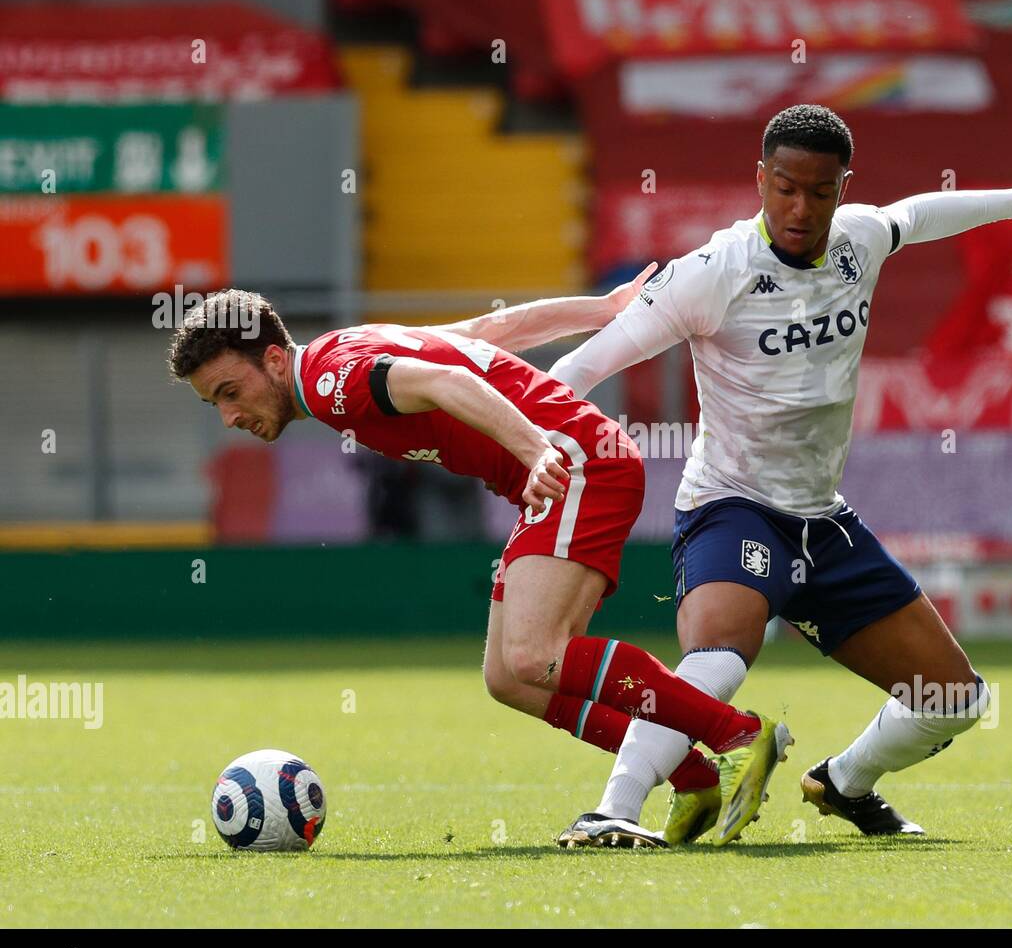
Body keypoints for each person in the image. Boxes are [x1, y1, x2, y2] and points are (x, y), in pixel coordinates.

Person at [548, 103, 1012, 846]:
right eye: (785, 188)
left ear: (842, 187)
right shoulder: (712, 273)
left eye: (820, 193)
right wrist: (540, 441)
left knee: (952, 699)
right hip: (733, 507)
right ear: (760, 179)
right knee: (721, 659)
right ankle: (614, 810)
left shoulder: (859, 239)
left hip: (823, 522)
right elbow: (584, 363)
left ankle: (844, 783)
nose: (801, 208)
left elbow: (919, 213)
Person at [168, 278, 794, 847]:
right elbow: (487, 334)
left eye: (231, 392)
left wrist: (535, 449)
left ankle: (736, 733)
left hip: (575, 464)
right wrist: (598, 310)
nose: (229, 415)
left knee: (536, 652)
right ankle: (692, 778)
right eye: (213, 404)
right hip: (562, 468)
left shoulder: (334, 384)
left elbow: (451, 382)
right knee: (510, 677)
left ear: (273, 360)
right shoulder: (344, 346)